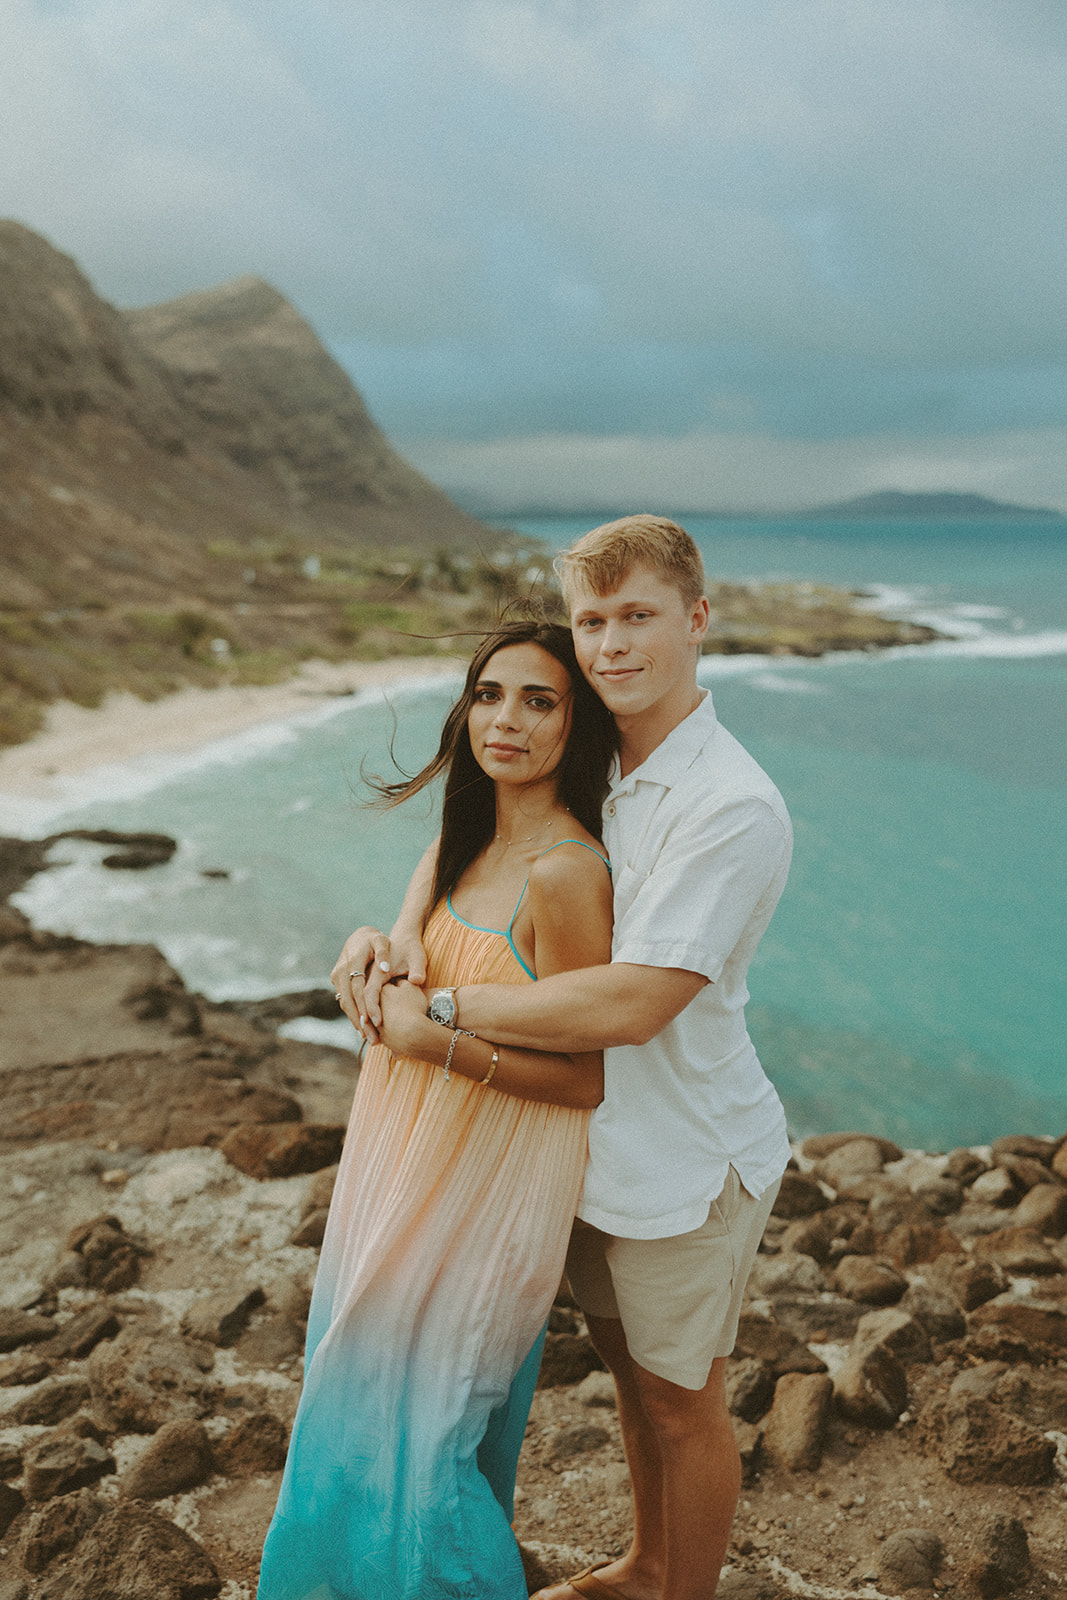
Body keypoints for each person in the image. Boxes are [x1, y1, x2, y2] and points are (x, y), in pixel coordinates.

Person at [342, 516, 793, 1600]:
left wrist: (439, 1010)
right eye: (592, 621)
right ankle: (644, 1566)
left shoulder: (728, 805)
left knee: (682, 1400)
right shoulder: (595, 750)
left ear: (695, 618)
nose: (610, 645)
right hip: (577, 1145)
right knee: (632, 1382)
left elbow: (634, 1003)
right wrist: (397, 934)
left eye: (637, 616)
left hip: (685, 1154)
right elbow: (477, 832)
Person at [257, 618, 616, 1600]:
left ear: (576, 725)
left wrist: (433, 1042)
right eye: (488, 694)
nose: (505, 720)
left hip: (486, 1193)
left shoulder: (565, 873)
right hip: (400, 1163)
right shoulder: (461, 839)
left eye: (538, 701)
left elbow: (584, 1078)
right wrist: (366, 947)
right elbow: (407, 947)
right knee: (351, 1418)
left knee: (427, 1454)